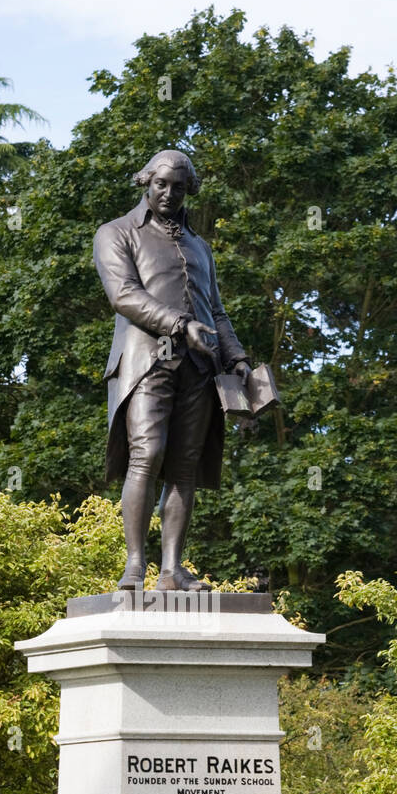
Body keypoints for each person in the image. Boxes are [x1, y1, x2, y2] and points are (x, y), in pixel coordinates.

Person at [93, 150, 250, 591]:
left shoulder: (199, 246)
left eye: (178, 187)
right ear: (146, 182)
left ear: (188, 190)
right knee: (147, 454)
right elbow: (123, 295)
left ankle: (172, 571)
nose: (168, 193)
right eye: (161, 184)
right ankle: (134, 566)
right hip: (146, 361)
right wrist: (181, 325)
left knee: (185, 467)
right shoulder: (117, 233)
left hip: (200, 366)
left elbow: (216, 310)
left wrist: (236, 358)